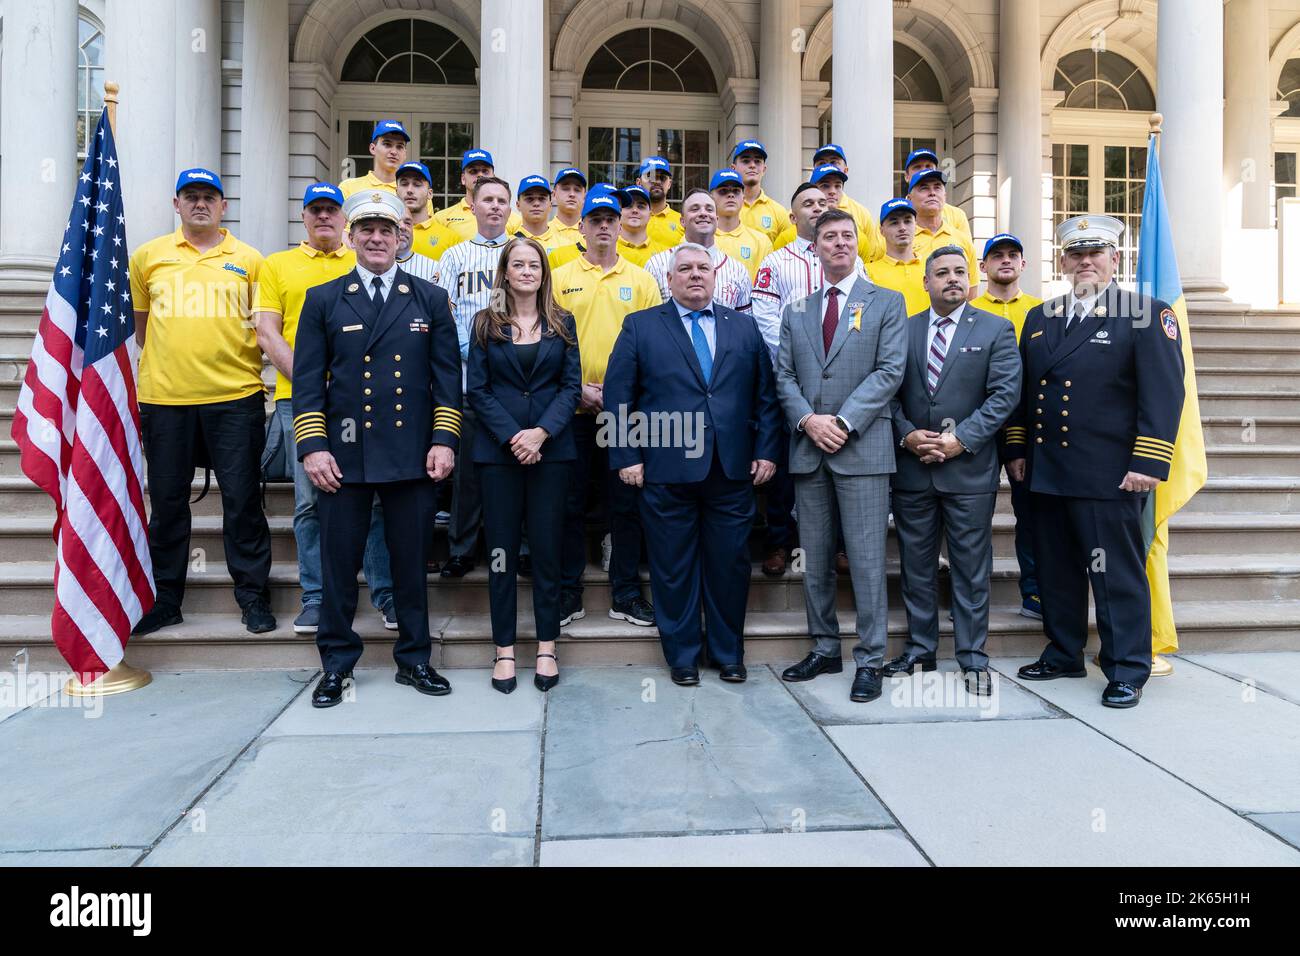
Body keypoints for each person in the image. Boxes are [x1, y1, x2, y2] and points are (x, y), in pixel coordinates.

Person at [1003, 214, 1185, 709]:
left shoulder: (1146, 313)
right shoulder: (1042, 318)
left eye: (1095, 253)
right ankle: (1063, 652)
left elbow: (1164, 396)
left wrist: (1149, 461)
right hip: (1047, 472)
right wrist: (1017, 450)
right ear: (1063, 261)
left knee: (1115, 575)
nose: (1085, 262)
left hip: (1110, 474)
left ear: (1114, 260)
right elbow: (1024, 392)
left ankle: (1126, 666)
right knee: (1057, 570)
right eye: (1075, 254)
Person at [292, 190, 462, 708]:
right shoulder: (324, 298)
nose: (376, 238)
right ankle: (337, 665)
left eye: (386, 230)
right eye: (366, 229)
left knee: (410, 564)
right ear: (351, 236)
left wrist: (444, 439)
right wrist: (313, 447)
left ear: (401, 237)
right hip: (342, 457)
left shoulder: (429, 297)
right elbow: (307, 384)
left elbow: (446, 380)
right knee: (340, 566)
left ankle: (414, 660)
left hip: (411, 454)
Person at [604, 243, 781, 685]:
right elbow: (619, 394)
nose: (695, 275)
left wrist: (766, 450)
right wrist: (627, 455)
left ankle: (727, 653)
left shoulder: (743, 327)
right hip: (665, 469)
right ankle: (682, 656)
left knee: (730, 564)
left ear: (715, 276)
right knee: (672, 565)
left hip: (731, 468)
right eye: (685, 269)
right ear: (670, 278)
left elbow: (765, 395)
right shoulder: (641, 326)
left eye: (703, 268)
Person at [129, 168, 273, 636]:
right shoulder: (149, 257)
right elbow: (142, 328)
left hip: (235, 398)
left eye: (209, 197)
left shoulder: (250, 260)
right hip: (165, 399)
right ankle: (165, 599)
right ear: (177, 204)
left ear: (223, 206)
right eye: (190, 197)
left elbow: (262, 326)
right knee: (168, 503)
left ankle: (252, 597)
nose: (200, 204)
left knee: (243, 501)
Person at [253, 183, 398, 636]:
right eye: (316, 211)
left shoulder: (368, 261)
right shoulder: (278, 265)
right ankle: (316, 596)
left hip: (365, 404)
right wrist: (315, 382)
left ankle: (385, 593)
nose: (324, 218)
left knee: (372, 499)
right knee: (310, 502)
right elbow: (267, 333)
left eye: (332, 211)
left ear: (345, 222)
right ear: (304, 216)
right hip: (301, 399)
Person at [775, 208, 906, 703]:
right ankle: (825, 646)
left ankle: (870, 658)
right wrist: (810, 421)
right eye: (828, 236)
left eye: (847, 236)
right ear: (815, 247)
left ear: (857, 243)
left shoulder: (887, 303)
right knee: (815, 561)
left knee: (869, 561)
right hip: (810, 451)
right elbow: (783, 376)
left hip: (863, 450)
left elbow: (890, 371)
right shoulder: (797, 309)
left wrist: (844, 421)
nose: (838, 243)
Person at [884, 246, 1021, 695]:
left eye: (960, 272)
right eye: (941, 273)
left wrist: (959, 440)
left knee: (969, 568)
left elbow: (1003, 396)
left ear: (972, 279)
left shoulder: (996, 329)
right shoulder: (901, 331)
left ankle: (972, 657)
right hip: (913, 469)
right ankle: (921, 648)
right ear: (925, 283)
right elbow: (888, 396)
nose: (952, 279)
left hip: (969, 471)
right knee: (917, 567)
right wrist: (906, 435)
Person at [467, 237, 580, 694]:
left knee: (548, 550)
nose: (527, 271)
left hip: (551, 452)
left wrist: (541, 434)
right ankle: (505, 649)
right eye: (519, 264)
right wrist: (515, 435)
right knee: (501, 553)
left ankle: (548, 646)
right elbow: (477, 389)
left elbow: (571, 388)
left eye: (535, 264)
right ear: (505, 272)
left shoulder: (563, 322)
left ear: (543, 272)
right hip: (499, 454)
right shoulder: (484, 323)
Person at [552, 189, 662, 629]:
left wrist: (619, 397)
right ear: (581, 226)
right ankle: (566, 592)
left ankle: (626, 594)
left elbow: (655, 349)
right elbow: (546, 340)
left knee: (627, 505)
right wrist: (575, 388)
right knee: (569, 503)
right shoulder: (558, 276)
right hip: (571, 409)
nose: (602, 226)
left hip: (625, 415)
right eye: (593, 219)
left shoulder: (643, 280)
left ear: (621, 225)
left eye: (609, 219)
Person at [750, 182, 867, 577]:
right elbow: (765, 318)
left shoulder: (852, 259)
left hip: (842, 380)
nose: (817, 208)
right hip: (790, 378)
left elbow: (859, 316)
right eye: (807, 203)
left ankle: (837, 546)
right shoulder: (774, 261)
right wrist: (799, 362)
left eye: (822, 201)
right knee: (786, 466)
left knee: (836, 460)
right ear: (792, 215)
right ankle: (781, 542)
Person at [433, 175, 515, 578]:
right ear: (474, 206)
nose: (495, 207)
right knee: (467, 475)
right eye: (488, 200)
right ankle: (462, 550)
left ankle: (519, 549)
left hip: (515, 382)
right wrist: (470, 351)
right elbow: (443, 316)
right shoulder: (454, 255)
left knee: (518, 470)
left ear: (510, 208)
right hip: (468, 379)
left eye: (502, 200)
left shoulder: (523, 253)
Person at [970, 232, 1044, 620]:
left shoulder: (1043, 311)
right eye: (996, 255)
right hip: (976, 423)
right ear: (982, 266)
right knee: (970, 514)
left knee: (1031, 512)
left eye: (1013, 255)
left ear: (1023, 264)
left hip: (1028, 428)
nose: (1005, 261)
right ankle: (970, 596)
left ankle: (1034, 592)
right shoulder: (967, 309)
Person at [772, 144, 885, 263]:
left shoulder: (861, 223)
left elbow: (869, 261)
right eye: (825, 186)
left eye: (837, 186)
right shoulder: (790, 227)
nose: (832, 191)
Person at [644, 188, 752, 311]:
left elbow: (743, 324)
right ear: (682, 221)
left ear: (716, 220)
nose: (703, 213)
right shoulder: (656, 265)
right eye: (695, 209)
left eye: (709, 209)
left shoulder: (738, 270)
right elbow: (648, 321)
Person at [908, 169, 979, 293]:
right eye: (924, 188)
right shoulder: (902, 241)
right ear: (909, 198)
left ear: (945, 196)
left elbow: (971, 293)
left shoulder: (962, 240)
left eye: (937, 188)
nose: (932, 193)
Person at [433, 148, 523, 239]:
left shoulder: (515, 220)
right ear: (463, 179)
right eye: (473, 171)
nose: (480, 175)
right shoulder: (442, 218)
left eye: (485, 171)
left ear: (493, 176)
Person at [867, 198, 930, 317]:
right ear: (881, 231)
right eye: (894, 222)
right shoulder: (867, 273)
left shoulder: (932, 267)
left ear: (915, 226)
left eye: (907, 221)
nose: (902, 228)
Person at [711, 169, 774, 281]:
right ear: (711, 198)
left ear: (743, 198)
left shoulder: (761, 242)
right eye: (723, 191)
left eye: (736, 191)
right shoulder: (697, 238)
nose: (730, 195)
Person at [901, 147, 974, 242]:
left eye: (928, 166)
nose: (923, 171)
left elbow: (966, 251)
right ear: (906, 176)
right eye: (917, 167)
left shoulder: (956, 215)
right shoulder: (891, 214)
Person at [395, 161, 460, 261]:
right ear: (396, 191)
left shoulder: (451, 239)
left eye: (417, 184)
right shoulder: (385, 234)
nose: (409, 190)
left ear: (430, 193)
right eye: (404, 184)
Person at [731, 139, 791, 246]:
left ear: (764, 169)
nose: (752, 165)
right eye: (746, 161)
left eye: (758, 161)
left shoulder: (779, 212)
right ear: (733, 168)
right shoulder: (722, 209)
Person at [340, 120, 410, 199]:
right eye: (387, 144)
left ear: (405, 154)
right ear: (373, 148)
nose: (394, 152)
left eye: (399, 146)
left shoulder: (413, 193)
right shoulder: (348, 187)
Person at [637, 156, 683, 248]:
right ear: (639, 183)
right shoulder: (629, 219)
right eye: (650, 176)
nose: (657, 181)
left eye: (662, 178)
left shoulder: (682, 221)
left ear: (669, 184)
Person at [616, 185, 664, 266]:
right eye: (628, 206)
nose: (635, 210)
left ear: (650, 214)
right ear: (619, 211)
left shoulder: (663, 253)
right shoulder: (606, 250)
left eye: (641, 206)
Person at [395, 211, 439, 282]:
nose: (402, 227)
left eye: (407, 223)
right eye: (395, 222)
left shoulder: (434, 268)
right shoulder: (371, 264)